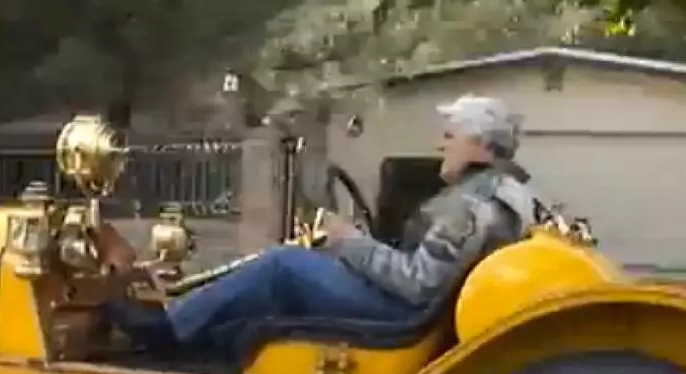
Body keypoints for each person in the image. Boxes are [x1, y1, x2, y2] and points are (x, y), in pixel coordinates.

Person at [108, 94, 538, 351]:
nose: (442, 141)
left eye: (453, 134)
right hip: (415, 311)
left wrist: (349, 241)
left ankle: (167, 329)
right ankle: (206, 335)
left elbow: (417, 282)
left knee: (282, 265)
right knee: (293, 265)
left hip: (401, 317)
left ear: (482, 149)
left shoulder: (471, 207)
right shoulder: (500, 194)